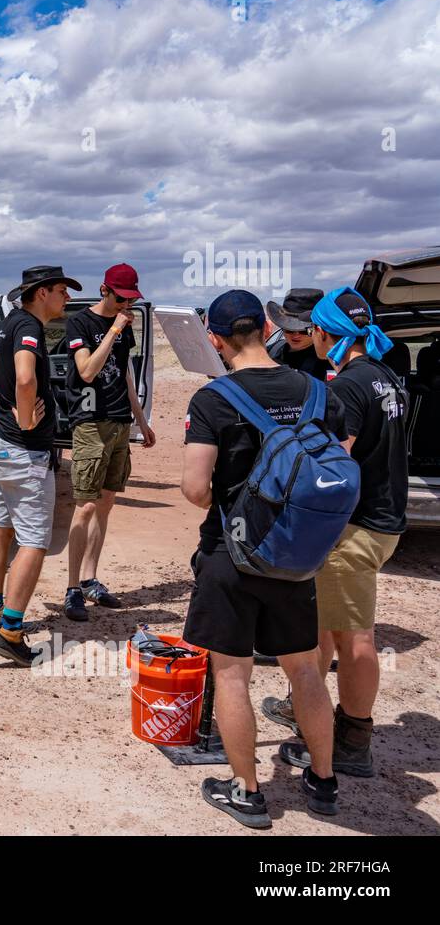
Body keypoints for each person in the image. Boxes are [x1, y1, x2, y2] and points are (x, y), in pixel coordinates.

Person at [180, 289, 342, 828]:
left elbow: (195, 487)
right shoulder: (318, 393)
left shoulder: (213, 400)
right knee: (305, 672)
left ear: (216, 339)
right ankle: (323, 779)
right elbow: (331, 471)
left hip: (234, 552)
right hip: (297, 554)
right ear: (268, 326)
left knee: (231, 676)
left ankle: (247, 791)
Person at [264, 287, 408, 778]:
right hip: (383, 520)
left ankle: (352, 738)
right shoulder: (385, 377)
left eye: (314, 332)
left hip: (355, 528)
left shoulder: (346, 386)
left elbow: (332, 466)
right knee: (326, 626)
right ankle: (311, 713)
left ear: (325, 332)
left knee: (355, 639)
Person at [0, 265, 75, 664]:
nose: (66, 297)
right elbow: (26, 379)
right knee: (34, 541)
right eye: (61, 290)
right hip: (24, 448)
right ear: (41, 292)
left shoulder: (2, 327)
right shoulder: (29, 328)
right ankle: (10, 632)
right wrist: (26, 417)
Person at [61, 263, 156, 621]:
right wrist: (113, 330)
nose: (124, 305)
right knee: (84, 505)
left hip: (119, 421)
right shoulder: (81, 323)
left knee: (106, 501)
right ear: (105, 290)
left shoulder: (124, 326)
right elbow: (87, 371)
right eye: (120, 298)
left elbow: (126, 373)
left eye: (130, 299)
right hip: (89, 422)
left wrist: (141, 420)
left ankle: (90, 578)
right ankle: (72, 588)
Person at [265, 288, 330, 380]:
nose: (296, 335)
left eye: (304, 330)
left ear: (318, 329)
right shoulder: (271, 351)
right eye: (289, 329)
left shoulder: (328, 362)